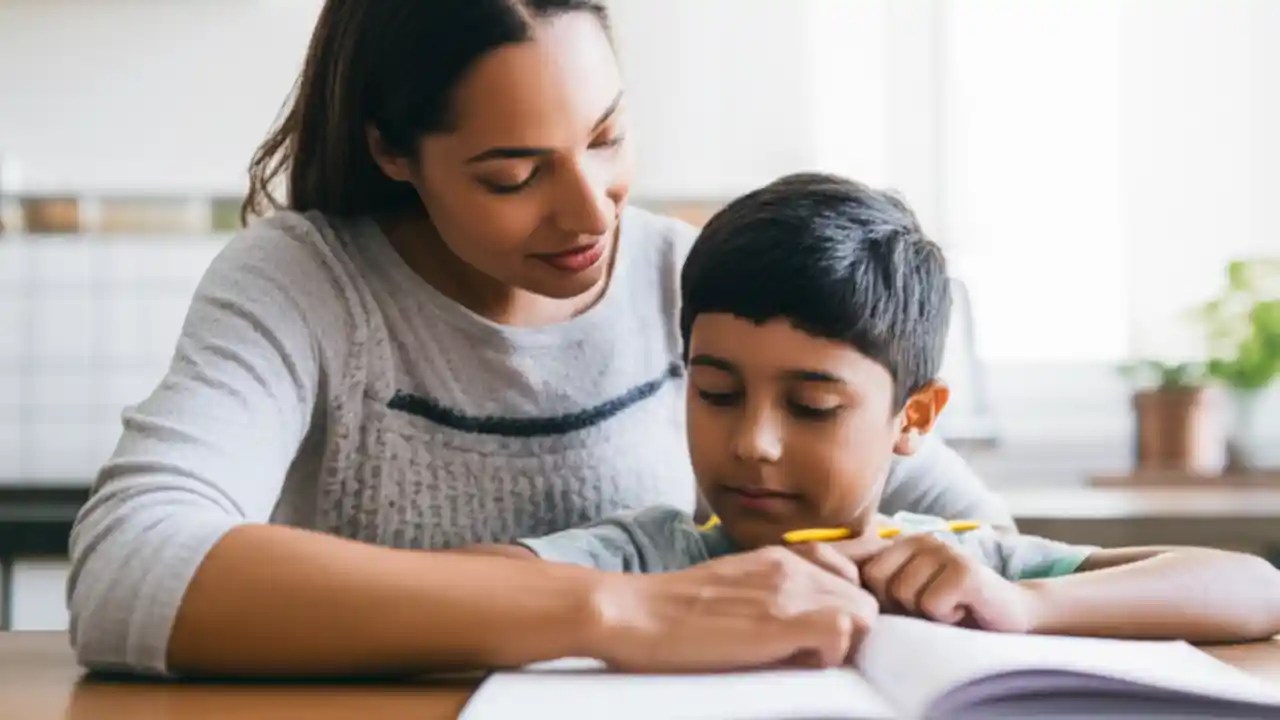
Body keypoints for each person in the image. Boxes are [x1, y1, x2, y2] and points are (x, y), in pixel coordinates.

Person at [68, 0, 1009, 677]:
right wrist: (621, 610)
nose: (589, 211)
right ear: (393, 153)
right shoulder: (306, 285)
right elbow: (131, 569)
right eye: (515, 174)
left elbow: (973, 533)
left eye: (606, 137)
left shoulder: (686, 279)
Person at [483, 172, 1280, 643]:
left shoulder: (958, 566)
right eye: (717, 392)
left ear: (916, 418)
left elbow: (1255, 590)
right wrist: (645, 610)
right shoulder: (646, 559)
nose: (753, 444)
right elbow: (455, 587)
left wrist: (1029, 605)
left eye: (813, 406)